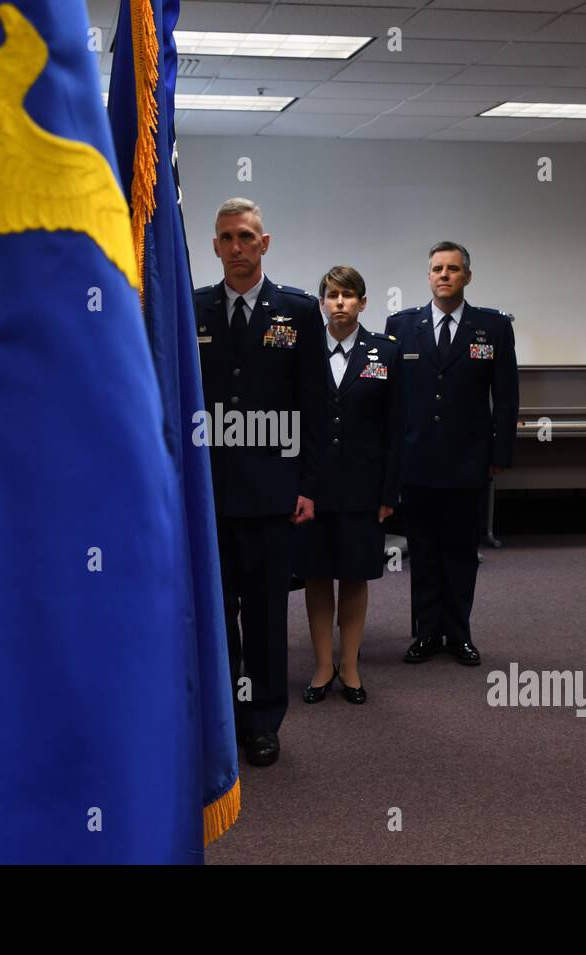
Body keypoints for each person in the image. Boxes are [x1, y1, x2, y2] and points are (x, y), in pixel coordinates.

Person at [194, 198, 325, 765]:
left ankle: (264, 720)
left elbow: (316, 403)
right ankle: (226, 718)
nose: (237, 247)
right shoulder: (192, 308)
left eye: (247, 236)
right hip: (211, 494)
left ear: (264, 242)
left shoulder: (296, 310)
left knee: (267, 613)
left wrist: (309, 483)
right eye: (226, 237)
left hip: (273, 493)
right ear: (215, 246)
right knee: (218, 614)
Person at [385, 242, 517, 666]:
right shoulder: (402, 326)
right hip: (416, 458)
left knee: (461, 551)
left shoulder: (493, 327)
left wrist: (501, 451)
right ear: (428, 276)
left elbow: (507, 394)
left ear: (467, 277)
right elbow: (391, 400)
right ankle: (426, 633)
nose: (444, 275)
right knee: (421, 551)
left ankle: (458, 634)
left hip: (468, 460)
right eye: (438, 269)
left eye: (453, 269)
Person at [295, 266, 404, 705]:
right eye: (332, 295)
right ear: (322, 302)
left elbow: (397, 429)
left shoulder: (386, 352)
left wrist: (389, 493)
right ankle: (323, 665)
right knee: (317, 575)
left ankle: (352, 665)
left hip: (363, 485)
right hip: (313, 486)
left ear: (363, 302)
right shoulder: (301, 351)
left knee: (355, 576)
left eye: (348, 295)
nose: (340, 302)